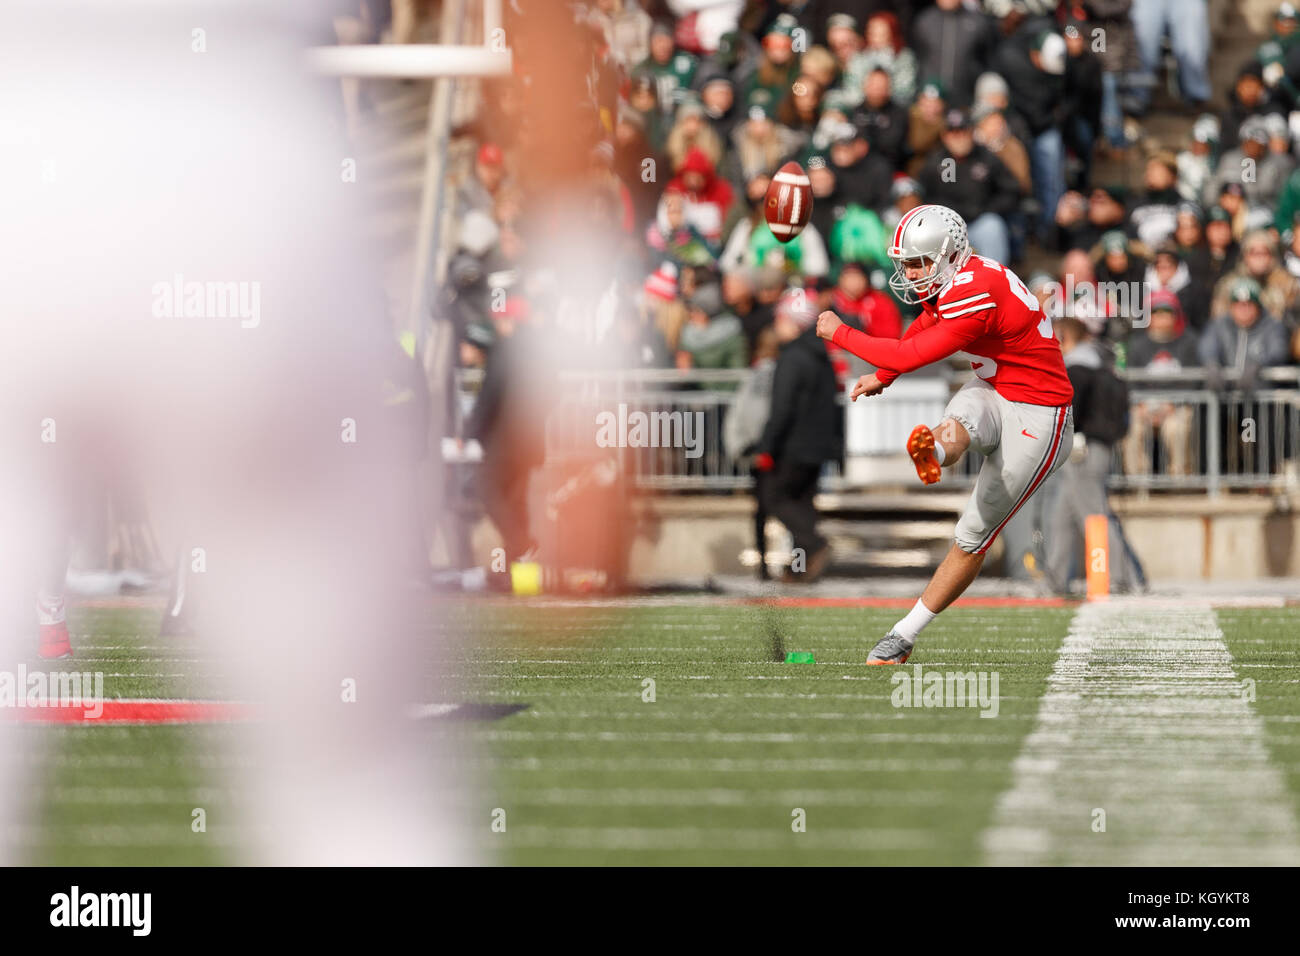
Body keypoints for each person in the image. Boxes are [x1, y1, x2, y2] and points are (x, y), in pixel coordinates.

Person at [814, 204, 1074, 663]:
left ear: (951, 254)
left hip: (1039, 414)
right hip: (995, 387)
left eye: (919, 262)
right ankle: (934, 447)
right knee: (962, 415)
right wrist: (886, 375)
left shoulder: (976, 290)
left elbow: (911, 350)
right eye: (907, 263)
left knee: (973, 533)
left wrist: (841, 333)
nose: (912, 273)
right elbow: (929, 324)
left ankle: (903, 635)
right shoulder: (962, 277)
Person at [1044, 317, 1146, 596]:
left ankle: (1125, 579)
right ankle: (1055, 581)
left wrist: (1072, 438)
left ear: (1065, 335)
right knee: (1061, 517)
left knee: (1095, 515)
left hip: (1083, 450)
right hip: (1088, 449)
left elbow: (1071, 410)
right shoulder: (1099, 361)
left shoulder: (1078, 366)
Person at [754, 290, 841, 584]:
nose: (776, 324)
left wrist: (767, 447)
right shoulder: (821, 357)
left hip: (793, 446)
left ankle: (814, 545)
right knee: (803, 505)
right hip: (816, 446)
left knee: (777, 501)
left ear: (793, 322)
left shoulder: (792, 357)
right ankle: (801, 569)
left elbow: (782, 408)